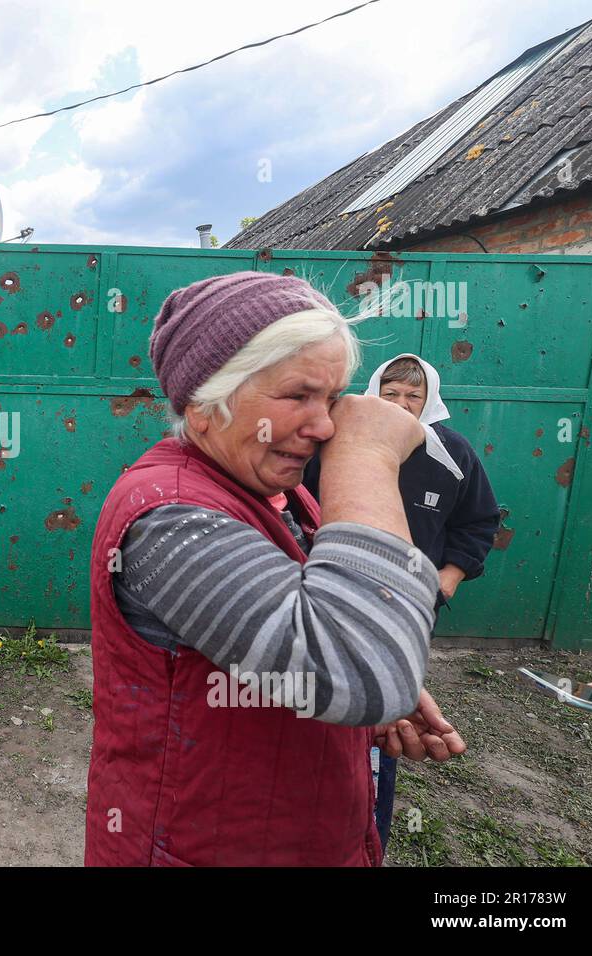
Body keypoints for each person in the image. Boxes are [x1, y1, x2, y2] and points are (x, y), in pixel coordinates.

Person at [85, 271, 452, 867]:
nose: (326, 426)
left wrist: (377, 701)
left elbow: (323, 640)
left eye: (332, 398)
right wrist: (367, 455)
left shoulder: (275, 493)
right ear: (205, 403)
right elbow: (363, 671)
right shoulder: (171, 519)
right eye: (296, 395)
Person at [304, 353, 490, 853]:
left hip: (407, 614)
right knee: (320, 699)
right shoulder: (336, 443)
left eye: (414, 396)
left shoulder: (453, 454)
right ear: (373, 395)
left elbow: (477, 523)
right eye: (391, 395)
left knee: (383, 704)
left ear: (432, 401)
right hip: (329, 605)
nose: (403, 406)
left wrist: (445, 582)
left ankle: (366, 822)